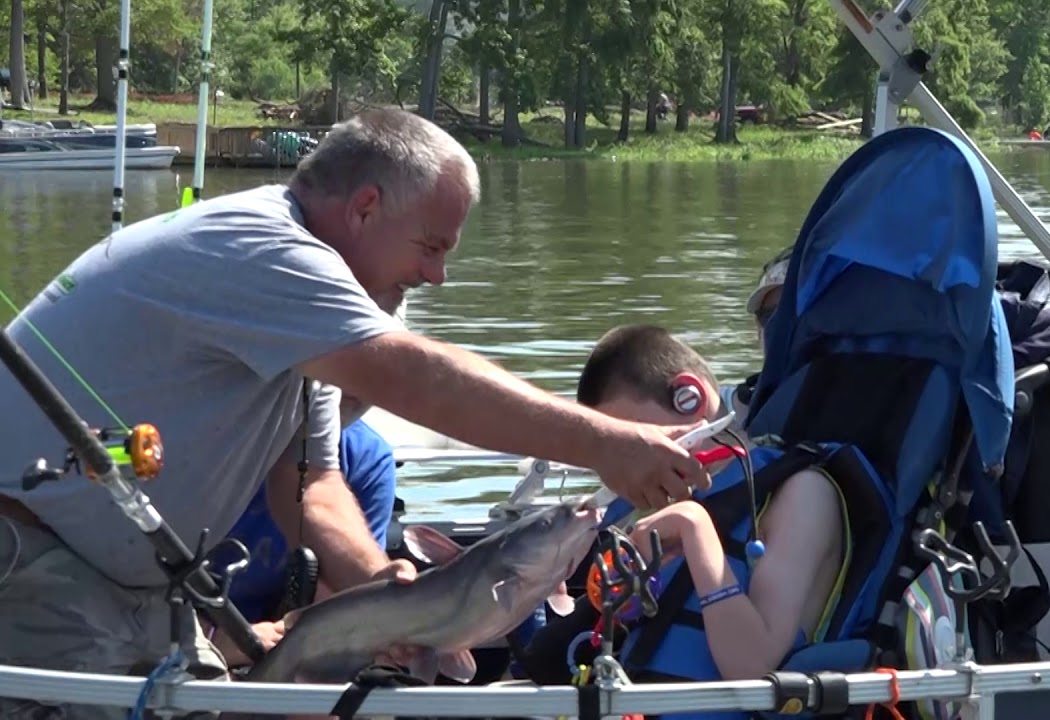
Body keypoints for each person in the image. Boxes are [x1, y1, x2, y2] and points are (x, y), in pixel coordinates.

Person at [0, 108, 709, 717]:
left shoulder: (302, 328)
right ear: (365, 208)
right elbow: (415, 376)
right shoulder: (263, 247)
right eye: (431, 247)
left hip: (131, 588)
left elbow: (307, 487)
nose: (436, 276)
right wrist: (609, 443)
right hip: (34, 561)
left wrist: (385, 589)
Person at [522, 324, 846, 683]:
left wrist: (694, 527)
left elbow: (752, 666)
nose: (622, 464)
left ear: (689, 398)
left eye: (631, 439)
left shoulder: (802, 495)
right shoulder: (656, 501)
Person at [207, 415, 398, 668]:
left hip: (283, 639)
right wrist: (214, 641)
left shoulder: (368, 456)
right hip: (177, 632)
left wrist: (384, 590)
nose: (356, 387)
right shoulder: (201, 442)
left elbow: (330, 605)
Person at [721, 246, 791, 420]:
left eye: (790, 311)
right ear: (758, 329)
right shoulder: (719, 409)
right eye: (769, 315)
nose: (777, 325)